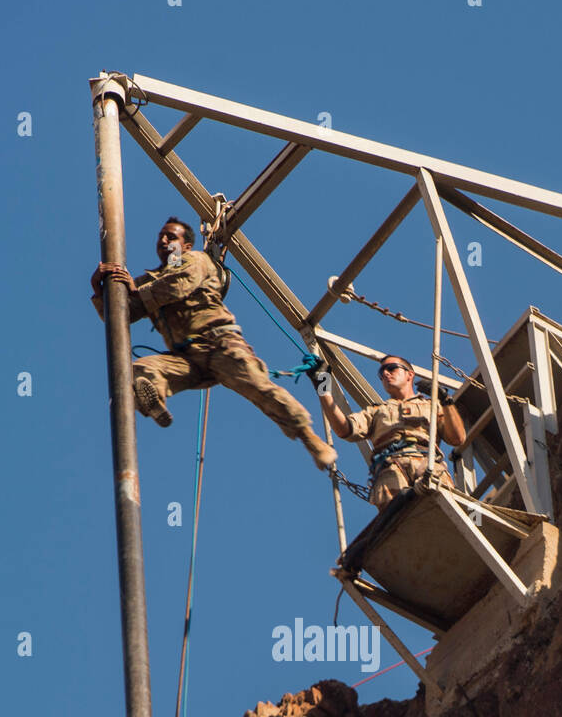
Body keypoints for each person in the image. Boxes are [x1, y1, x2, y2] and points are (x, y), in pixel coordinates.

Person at [90, 217, 337, 469]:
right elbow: (121, 314)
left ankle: (309, 438)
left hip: (220, 344)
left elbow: (178, 284)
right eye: (161, 237)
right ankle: (153, 400)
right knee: (135, 370)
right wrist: (102, 290)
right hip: (186, 358)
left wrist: (135, 290)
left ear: (186, 246)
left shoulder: (195, 260)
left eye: (171, 237)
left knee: (259, 388)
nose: (164, 241)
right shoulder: (149, 280)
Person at [318, 355, 466, 509]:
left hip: (426, 463)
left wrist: (445, 400)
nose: (385, 374)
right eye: (381, 373)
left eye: (391, 368)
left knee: (442, 509)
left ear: (410, 374)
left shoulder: (432, 405)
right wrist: (323, 388)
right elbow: (343, 429)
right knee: (396, 518)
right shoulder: (376, 412)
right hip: (390, 469)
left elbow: (457, 438)